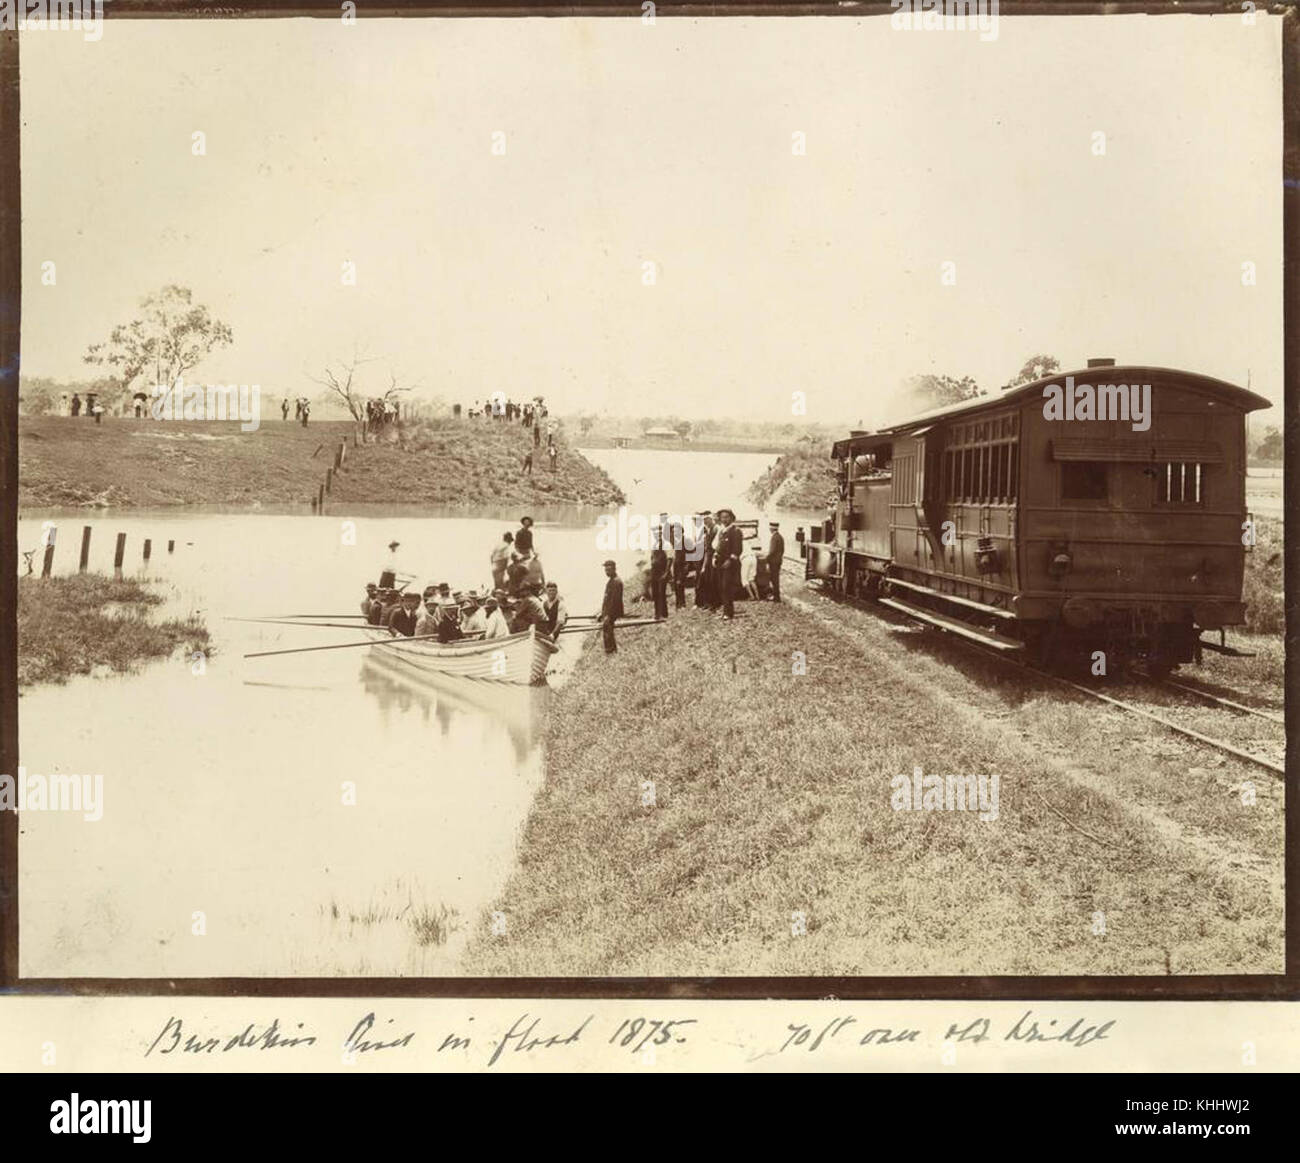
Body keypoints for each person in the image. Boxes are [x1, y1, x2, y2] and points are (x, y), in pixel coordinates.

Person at [713, 508, 743, 620]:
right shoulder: (722, 531)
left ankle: (729, 613)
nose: (724, 519)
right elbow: (719, 547)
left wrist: (730, 561)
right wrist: (715, 556)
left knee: (727, 587)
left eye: (726, 517)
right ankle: (725, 611)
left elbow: (737, 549)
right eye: (722, 517)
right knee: (721, 587)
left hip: (730, 564)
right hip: (720, 563)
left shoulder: (736, 531)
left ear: (731, 518)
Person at [600, 559, 624, 653]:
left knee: (607, 629)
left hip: (613, 611)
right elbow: (607, 599)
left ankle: (611, 651)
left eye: (609, 570)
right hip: (609, 611)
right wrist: (601, 613)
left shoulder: (616, 582)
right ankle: (610, 650)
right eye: (606, 570)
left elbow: (615, 601)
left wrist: (608, 615)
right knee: (607, 630)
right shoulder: (611, 581)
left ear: (614, 569)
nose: (607, 572)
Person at [694, 511, 716, 609]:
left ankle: (710, 603)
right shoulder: (700, 531)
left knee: (709, 581)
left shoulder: (708, 530)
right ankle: (703, 602)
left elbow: (708, 547)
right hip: (700, 558)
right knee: (702, 580)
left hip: (707, 557)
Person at [649, 528, 670, 620]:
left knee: (661, 593)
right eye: (655, 534)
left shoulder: (666, 544)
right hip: (654, 572)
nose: (657, 536)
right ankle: (657, 613)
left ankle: (663, 613)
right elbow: (652, 558)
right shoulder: (654, 545)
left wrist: (666, 573)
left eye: (658, 534)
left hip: (662, 571)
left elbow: (670, 559)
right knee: (655, 593)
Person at [767, 522, 785, 602]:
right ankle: (776, 596)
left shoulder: (774, 537)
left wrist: (766, 558)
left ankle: (776, 597)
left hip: (773, 561)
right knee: (775, 578)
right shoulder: (780, 537)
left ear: (771, 528)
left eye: (770, 528)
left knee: (774, 579)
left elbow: (772, 551)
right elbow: (782, 550)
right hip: (778, 560)